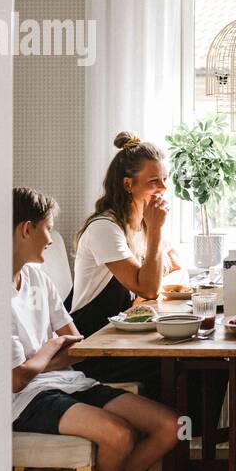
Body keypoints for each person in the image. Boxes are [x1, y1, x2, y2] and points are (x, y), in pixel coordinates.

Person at [11, 187, 179, 471]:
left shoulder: (38, 280)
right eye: (47, 229)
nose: (52, 239)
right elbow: (17, 379)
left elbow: (78, 344)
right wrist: (51, 347)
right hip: (23, 402)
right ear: (25, 230)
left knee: (168, 426)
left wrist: (48, 354)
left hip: (66, 380)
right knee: (119, 434)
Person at [66, 131, 184, 398]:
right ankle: (178, 433)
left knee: (198, 356)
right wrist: (156, 232)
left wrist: (155, 240)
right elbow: (149, 289)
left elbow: (179, 266)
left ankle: (187, 434)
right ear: (128, 184)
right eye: (154, 181)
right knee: (183, 363)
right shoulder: (105, 229)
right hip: (95, 349)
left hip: (125, 337)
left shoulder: (142, 224)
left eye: (164, 180)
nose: (164, 189)